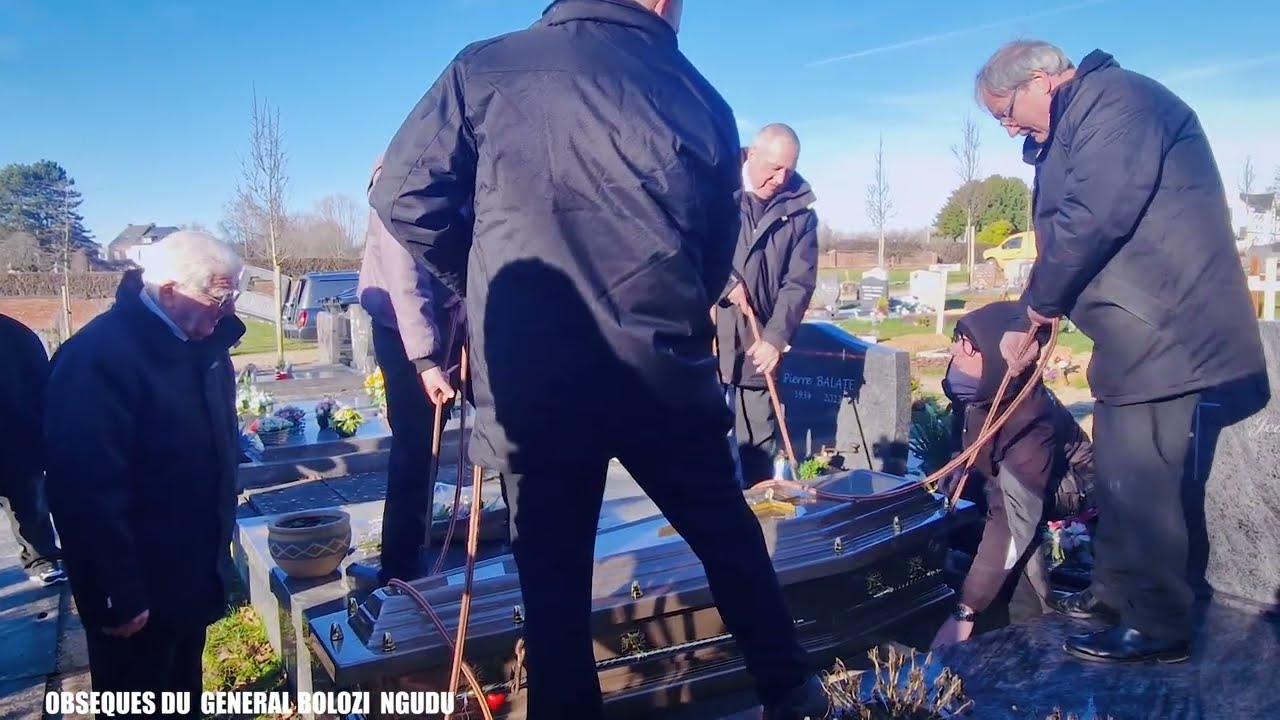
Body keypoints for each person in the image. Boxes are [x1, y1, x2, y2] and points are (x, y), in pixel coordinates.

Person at [369, 1, 828, 718]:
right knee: (729, 541)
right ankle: (794, 695)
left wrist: (492, 284)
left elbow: (402, 196)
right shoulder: (702, 97)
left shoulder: (489, 65)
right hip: (661, 374)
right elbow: (714, 256)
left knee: (553, 588)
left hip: (537, 378)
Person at [974, 40, 1269, 663]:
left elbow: (1091, 215)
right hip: (1135, 326)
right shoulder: (1086, 114)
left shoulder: (1120, 100)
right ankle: (1114, 595)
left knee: (1143, 477)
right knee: (1117, 468)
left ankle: (1159, 623)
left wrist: (1040, 305)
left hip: (1167, 323)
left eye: (1006, 112)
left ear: (1040, 80)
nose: (1007, 130)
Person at [44, 231, 245, 713]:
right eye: (219, 298)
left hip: (187, 573)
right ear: (170, 290)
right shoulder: (99, 359)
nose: (229, 312)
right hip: (137, 585)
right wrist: (115, 592)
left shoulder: (201, 347)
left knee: (183, 695)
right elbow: (84, 488)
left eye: (232, 296)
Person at [928, 300, 1096, 649]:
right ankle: (980, 570)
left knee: (1011, 521)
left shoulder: (1029, 424)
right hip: (1007, 476)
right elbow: (964, 436)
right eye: (957, 337)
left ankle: (1034, 615)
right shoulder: (978, 390)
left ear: (999, 356)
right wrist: (957, 465)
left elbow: (1013, 517)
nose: (954, 350)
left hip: (1072, 485)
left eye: (968, 345)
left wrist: (965, 611)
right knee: (980, 500)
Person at [357, 154, 466, 584]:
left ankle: (526, 545)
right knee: (418, 445)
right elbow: (406, 280)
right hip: (401, 324)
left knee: (508, 426)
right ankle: (401, 568)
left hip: (457, 318)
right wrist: (425, 361)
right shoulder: (401, 179)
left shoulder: (472, 170)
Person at [716, 123, 819, 487]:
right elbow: (689, 243)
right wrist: (724, 283)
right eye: (773, 167)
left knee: (757, 444)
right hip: (706, 334)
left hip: (758, 339)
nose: (781, 177)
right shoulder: (714, 184)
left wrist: (775, 339)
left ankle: (760, 528)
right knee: (701, 442)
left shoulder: (801, 212)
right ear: (752, 154)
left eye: (789, 169)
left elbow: (799, 282)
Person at [0, 312, 65, 586]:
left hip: (17, 438)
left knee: (29, 504)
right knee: (30, 502)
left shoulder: (15, 335)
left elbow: (43, 384)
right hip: (21, 439)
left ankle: (42, 558)